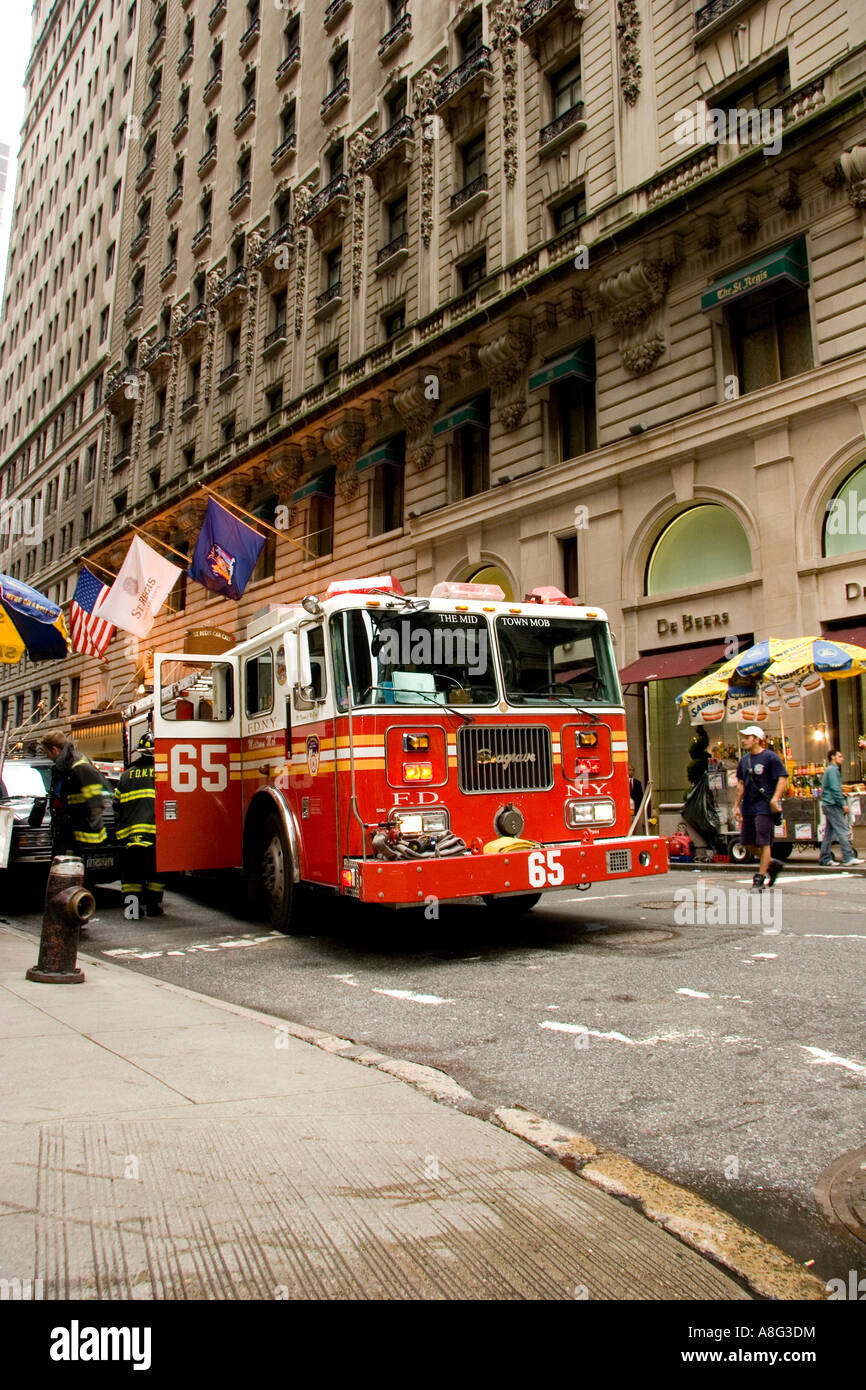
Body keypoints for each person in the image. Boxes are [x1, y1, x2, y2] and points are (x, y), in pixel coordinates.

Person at [36, 728, 110, 860]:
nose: (47, 756)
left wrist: (93, 830)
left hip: (82, 837)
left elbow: (95, 800)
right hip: (67, 833)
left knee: (76, 874)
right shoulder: (61, 767)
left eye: (47, 752)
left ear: (54, 749)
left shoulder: (79, 765)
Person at [115, 731, 164, 917]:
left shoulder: (126, 776)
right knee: (154, 874)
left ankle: (132, 910)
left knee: (131, 877)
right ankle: (154, 907)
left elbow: (116, 806)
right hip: (154, 836)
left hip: (130, 839)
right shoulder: (161, 773)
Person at [734, 726, 789, 890]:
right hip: (748, 806)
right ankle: (772, 864)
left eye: (747, 737)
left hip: (764, 806)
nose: (743, 740)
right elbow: (740, 785)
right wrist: (736, 806)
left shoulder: (770, 757)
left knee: (764, 841)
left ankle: (760, 878)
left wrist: (775, 799)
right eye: (743, 737)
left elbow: (782, 778)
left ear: (757, 739)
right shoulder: (744, 760)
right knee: (746, 842)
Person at [819, 748, 864, 866]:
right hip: (833, 804)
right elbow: (835, 788)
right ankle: (848, 857)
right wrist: (843, 804)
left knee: (829, 832)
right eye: (840, 756)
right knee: (843, 830)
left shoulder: (830, 770)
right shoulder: (833, 770)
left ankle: (825, 858)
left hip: (828, 803)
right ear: (833, 757)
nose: (842, 759)